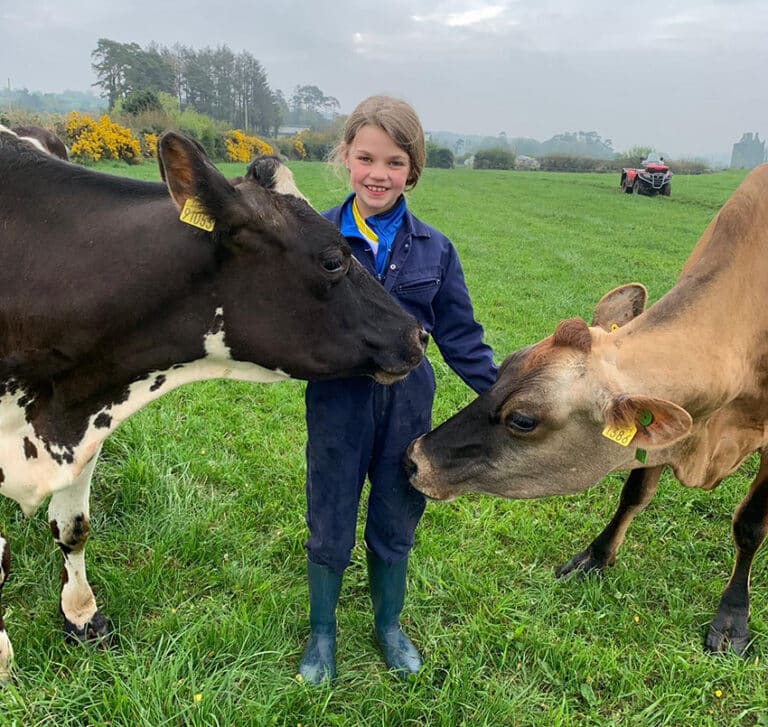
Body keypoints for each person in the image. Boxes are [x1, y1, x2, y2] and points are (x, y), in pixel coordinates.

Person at [298, 95, 497, 685]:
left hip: (409, 403)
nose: (377, 174)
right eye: (366, 158)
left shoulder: (436, 249)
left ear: (413, 170)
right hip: (338, 400)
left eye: (394, 162)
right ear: (345, 157)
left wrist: (500, 396)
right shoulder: (316, 239)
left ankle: (388, 626)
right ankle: (322, 634)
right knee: (330, 514)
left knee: (395, 515)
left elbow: (460, 336)